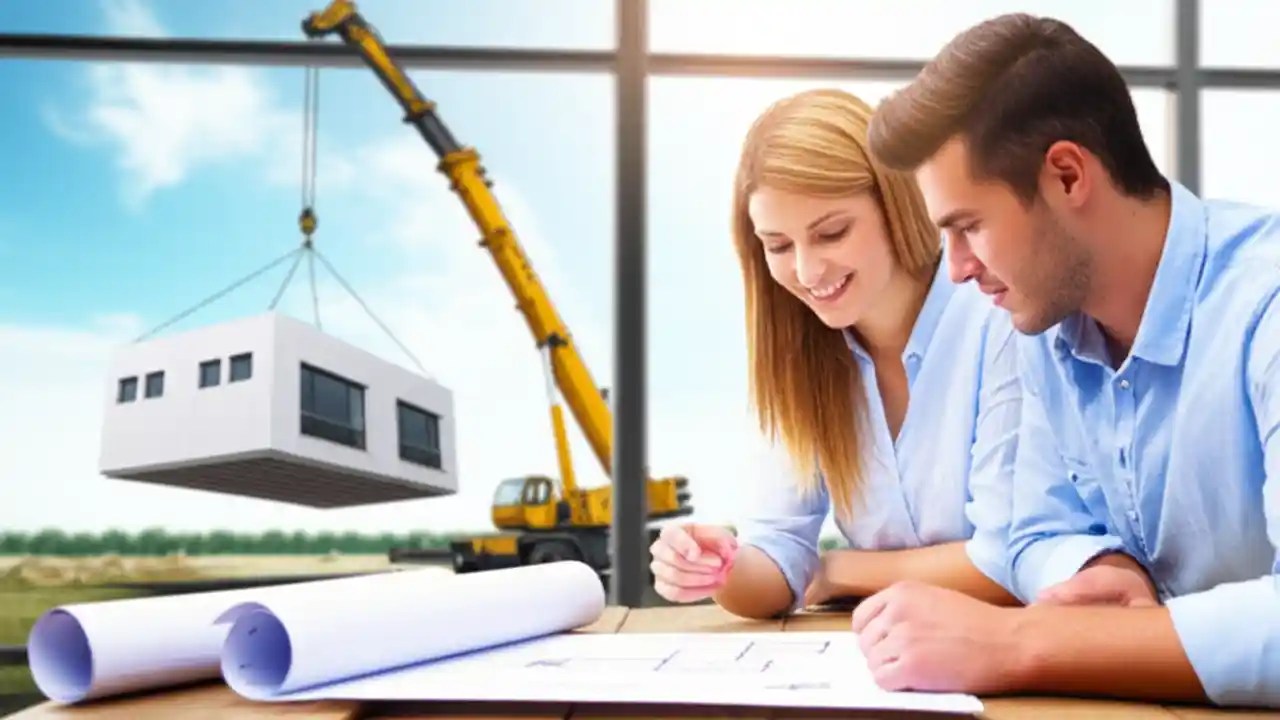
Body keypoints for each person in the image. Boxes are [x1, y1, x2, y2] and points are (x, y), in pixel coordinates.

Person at [853, 12, 1280, 708]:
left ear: (1066, 174)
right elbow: (1034, 529)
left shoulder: (1267, 305)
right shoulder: (1046, 327)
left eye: (969, 227)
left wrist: (1010, 644)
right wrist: (1101, 567)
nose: (956, 270)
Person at [648, 88, 1023, 620]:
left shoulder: (999, 315)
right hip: (895, 656)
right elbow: (778, 560)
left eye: (831, 233)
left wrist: (839, 570)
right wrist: (718, 566)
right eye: (777, 246)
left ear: (894, 204)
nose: (807, 272)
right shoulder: (802, 357)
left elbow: (1010, 562)